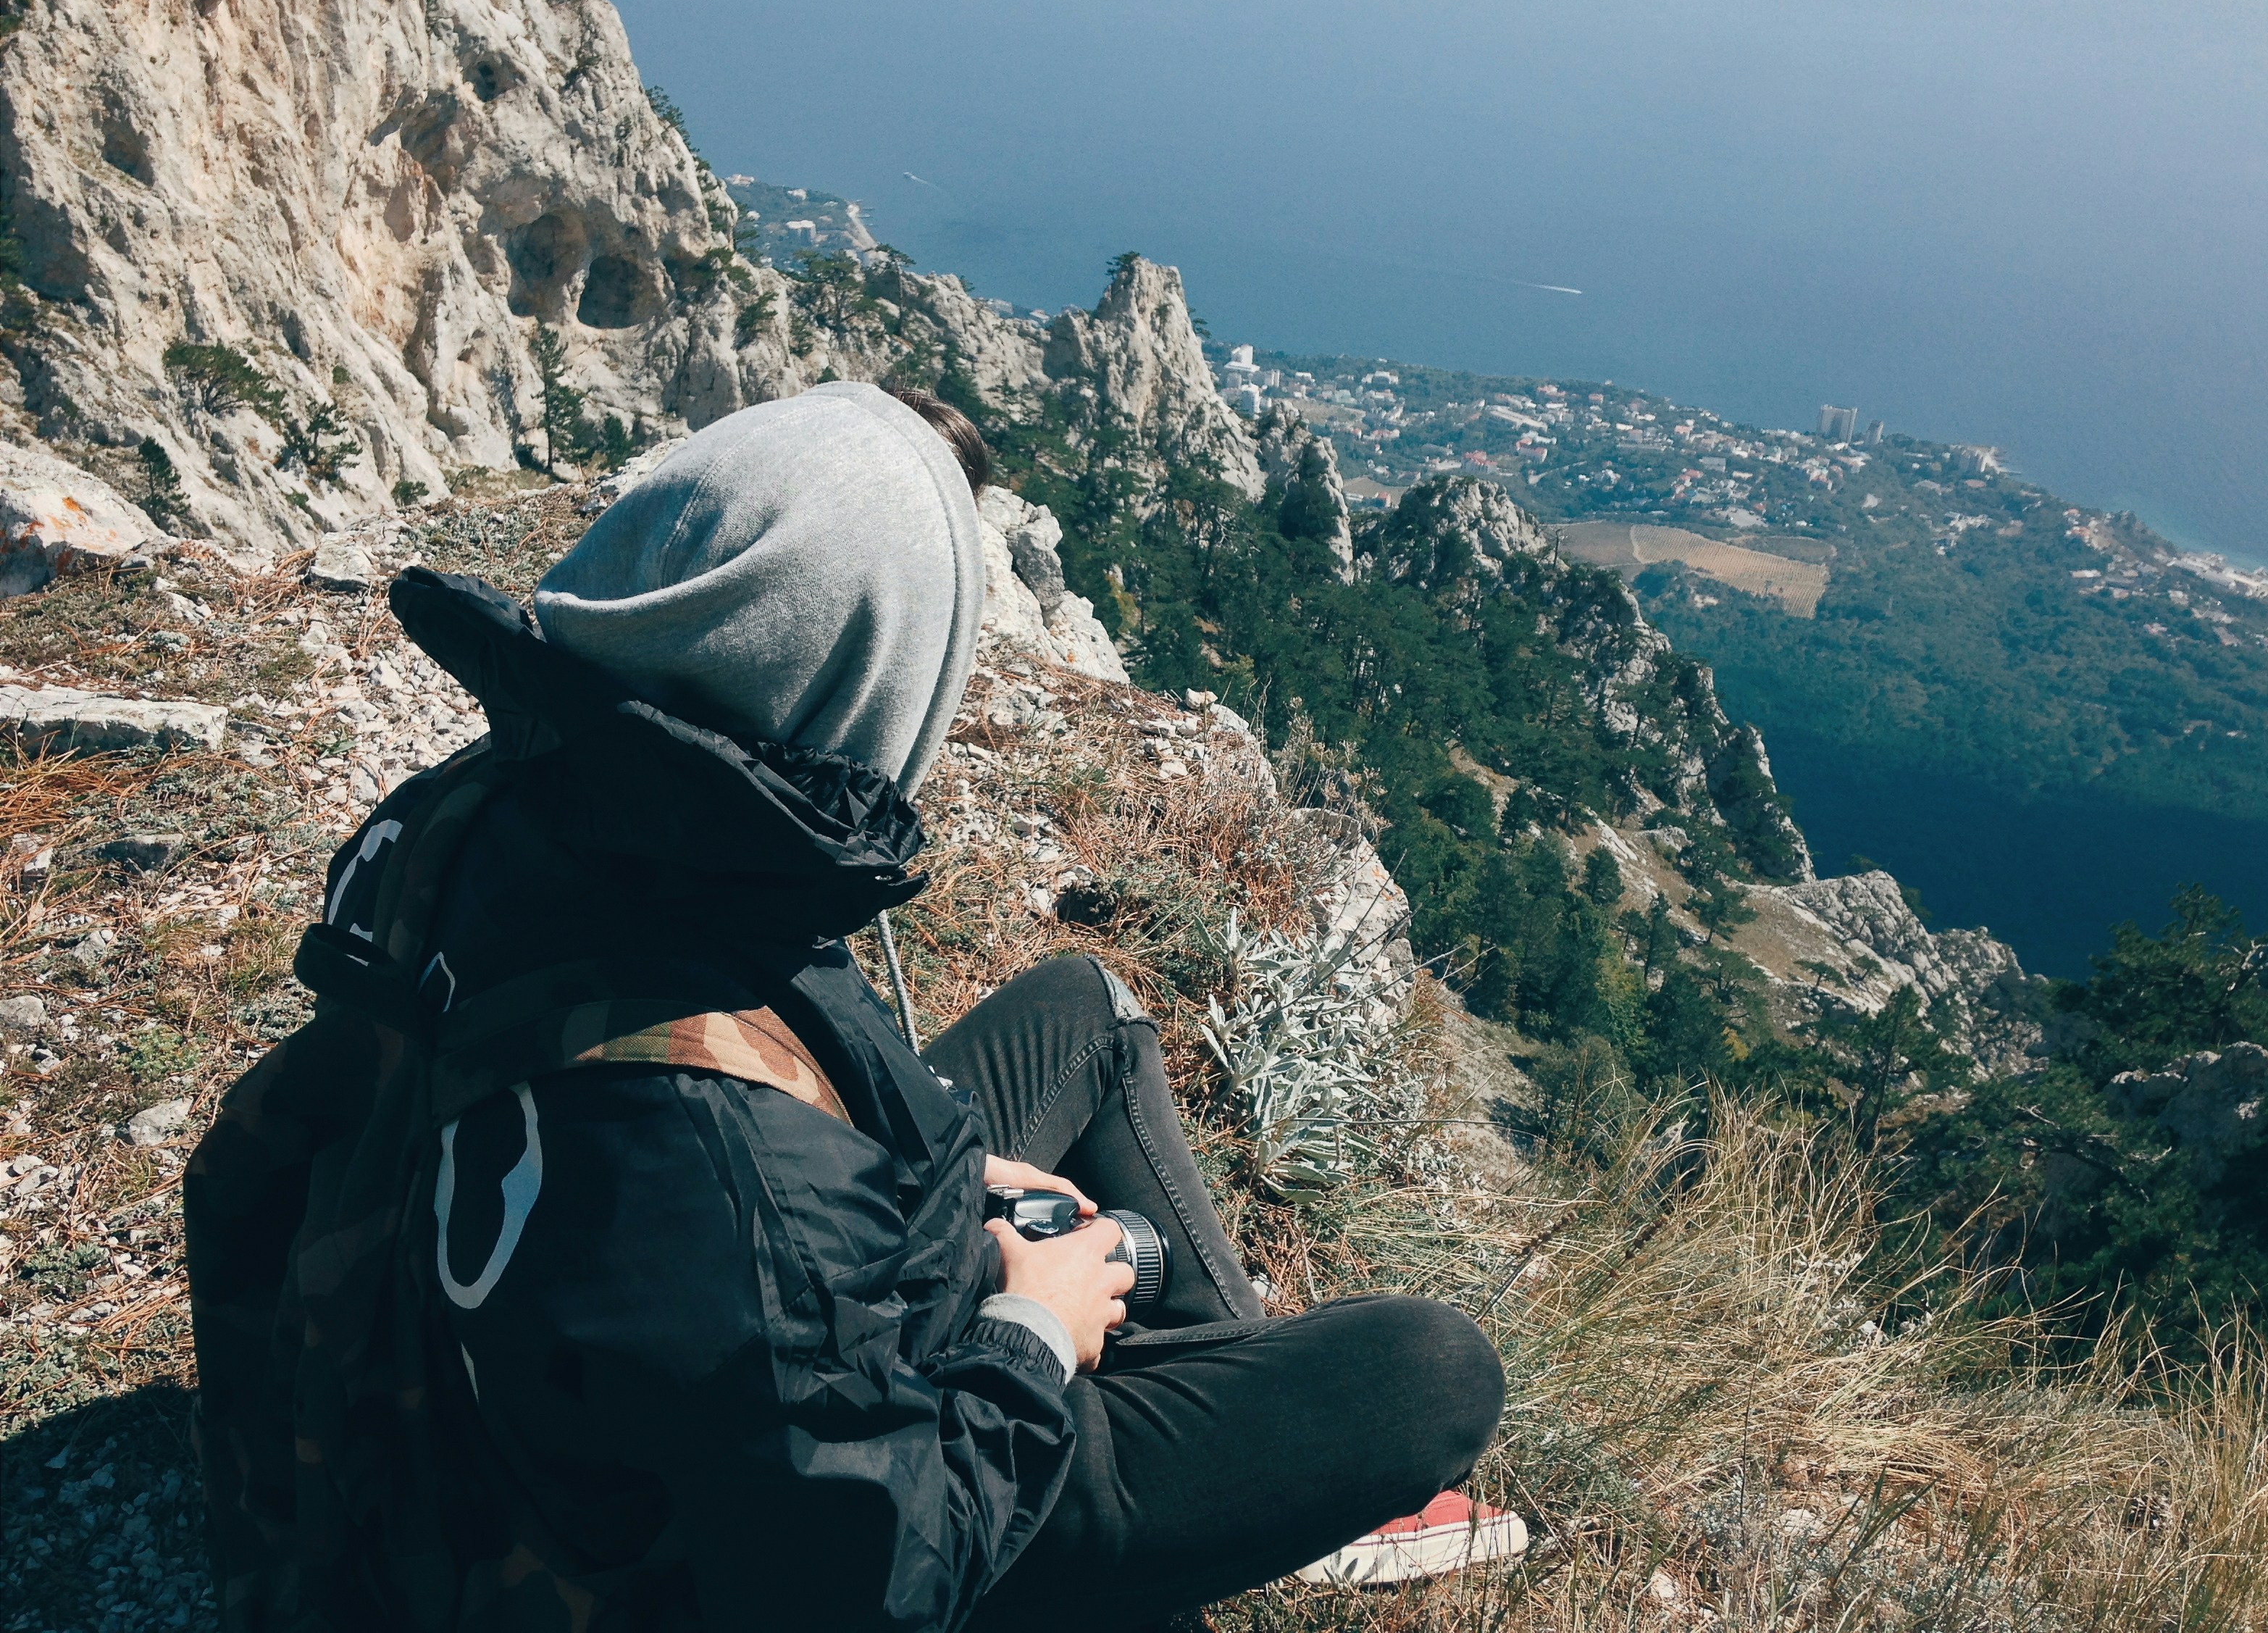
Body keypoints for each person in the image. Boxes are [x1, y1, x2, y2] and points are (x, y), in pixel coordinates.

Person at [204, 381, 1510, 1632]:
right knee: (1433, 1373)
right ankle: (1244, 1476)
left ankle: (1219, 1415)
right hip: (703, 1536)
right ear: (874, 687)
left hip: (551, 1344)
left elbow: (702, 1204)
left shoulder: (504, 801)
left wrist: (936, 1208)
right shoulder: (721, 1145)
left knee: (1084, 1010)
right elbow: (863, 1581)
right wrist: (1030, 1337)